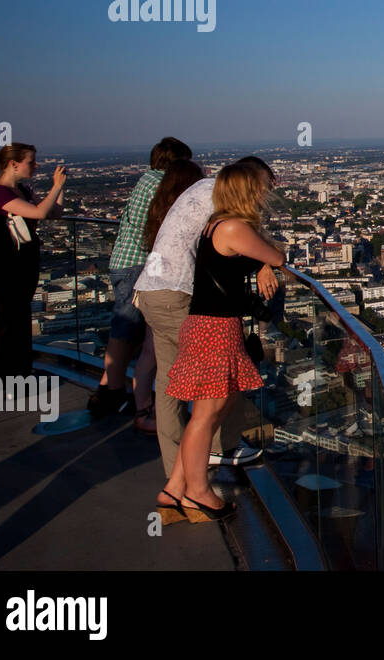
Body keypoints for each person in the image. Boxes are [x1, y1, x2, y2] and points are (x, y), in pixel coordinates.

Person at [157, 162, 284, 522]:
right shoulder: (232, 227)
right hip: (214, 329)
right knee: (206, 415)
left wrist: (258, 265)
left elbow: (249, 259)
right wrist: (266, 264)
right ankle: (197, 493)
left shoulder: (217, 225)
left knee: (212, 412)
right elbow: (275, 256)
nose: (264, 193)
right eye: (259, 188)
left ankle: (174, 490)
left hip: (210, 326)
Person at [91, 137, 193, 418]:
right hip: (138, 267)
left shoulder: (147, 180)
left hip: (127, 264)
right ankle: (115, 395)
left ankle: (108, 388)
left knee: (132, 331)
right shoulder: (160, 183)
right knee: (126, 329)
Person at [0, 144, 67, 378]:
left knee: (18, 316)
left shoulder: (23, 190)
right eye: (31, 162)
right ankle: (0, 372)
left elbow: (53, 213)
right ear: (13, 164)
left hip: (24, 262)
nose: (36, 166)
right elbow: (38, 213)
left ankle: (18, 369)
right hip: (4, 265)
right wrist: (55, 186)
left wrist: (60, 189)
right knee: (9, 316)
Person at [130, 158, 204, 434]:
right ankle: (204, 445)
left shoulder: (161, 212)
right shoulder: (190, 212)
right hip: (175, 295)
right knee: (202, 372)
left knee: (166, 372)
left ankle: (169, 442)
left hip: (150, 292)